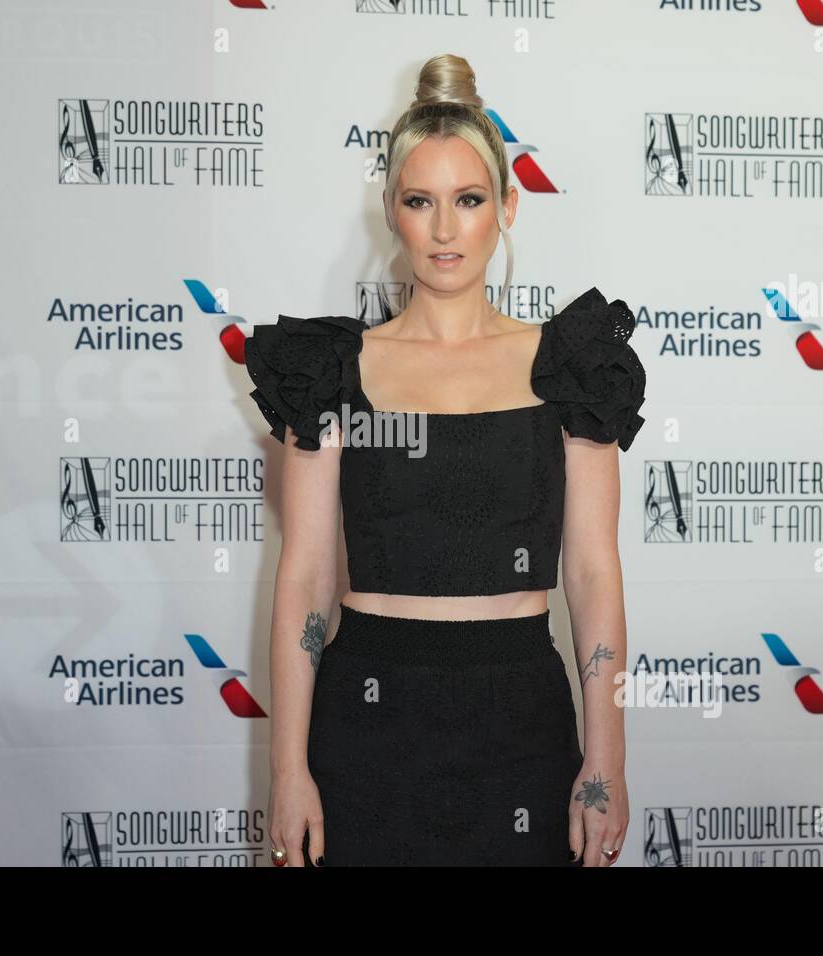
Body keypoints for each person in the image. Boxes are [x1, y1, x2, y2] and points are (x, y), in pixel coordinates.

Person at [243, 53, 646, 867]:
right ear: (391, 212)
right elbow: (307, 576)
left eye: (468, 200)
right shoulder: (329, 369)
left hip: (521, 728)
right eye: (419, 201)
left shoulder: (571, 367)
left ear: (507, 205)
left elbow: (595, 574)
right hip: (365, 735)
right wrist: (288, 770)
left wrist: (606, 761)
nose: (444, 228)